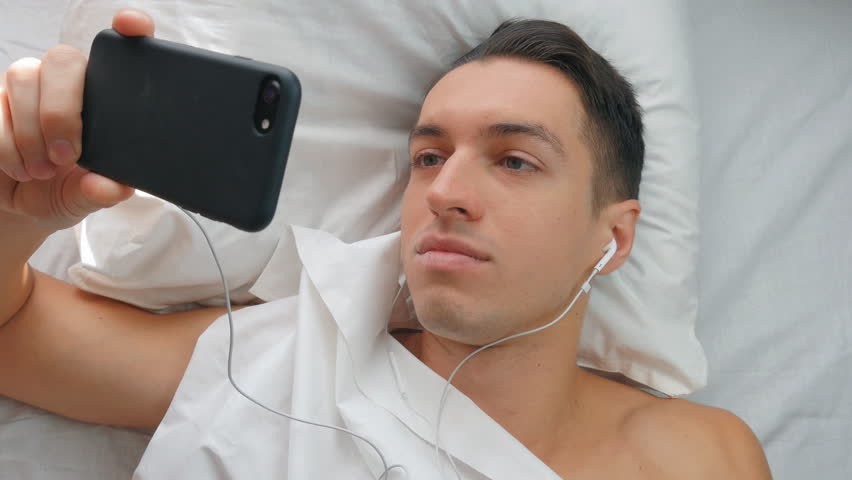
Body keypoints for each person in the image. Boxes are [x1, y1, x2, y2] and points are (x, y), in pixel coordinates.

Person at [0, 8, 772, 479]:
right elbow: (14, 331)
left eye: (514, 160)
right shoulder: (283, 359)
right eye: (430, 157)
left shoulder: (700, 460)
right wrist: (19, 214)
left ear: (614, 236)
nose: (444, 191)